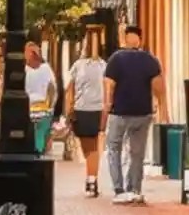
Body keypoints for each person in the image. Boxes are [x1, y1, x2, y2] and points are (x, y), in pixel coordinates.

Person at [102, 25, 168, 204]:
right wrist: (163, 111)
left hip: (119, 113)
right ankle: (135, 189)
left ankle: (119, 189)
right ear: (140, 39)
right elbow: (159, 88)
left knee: (114, 149)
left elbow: (109, 87)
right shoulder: (150, 60)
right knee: (137, 153)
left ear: (125, 38)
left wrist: (105, 111)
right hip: (142, 113)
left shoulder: (115, 59)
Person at [65, 27, 107, 197]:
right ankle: (91, 177)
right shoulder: (78, 65)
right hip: (81, 109)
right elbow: (70, 88)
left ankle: (92, 179)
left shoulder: (104, 65)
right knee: (86, 147)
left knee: (94, 146)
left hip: (97, 109)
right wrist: (69, 108)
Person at [24, 42, 56, 155]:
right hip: (33, 111)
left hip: (39, 110)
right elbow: (53, 89)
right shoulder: (27, 69)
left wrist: (50, 108)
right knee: (37, 141)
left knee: (38, 142)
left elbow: (52, 90)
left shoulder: (44, 69)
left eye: (26, 54)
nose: (24, 57)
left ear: (32, 54)